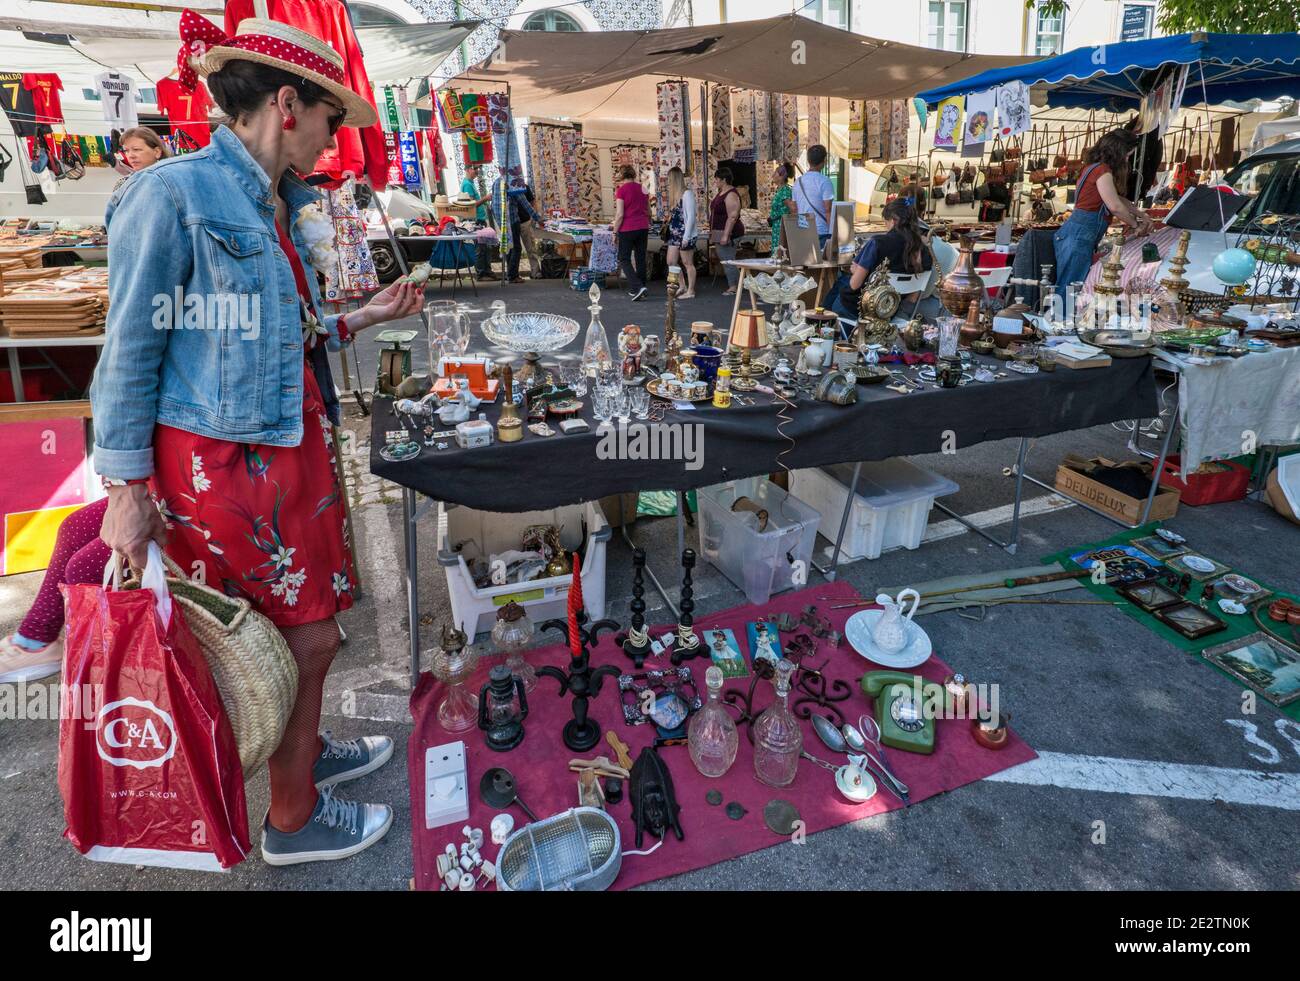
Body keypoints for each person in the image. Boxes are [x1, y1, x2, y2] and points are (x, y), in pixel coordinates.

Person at [92, 13, 423, 865]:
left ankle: (301, 754)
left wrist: (360, 316)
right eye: (330, 119)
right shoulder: (172, 194)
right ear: (288, 103)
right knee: (296, 636)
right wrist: (125, 491)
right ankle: (291, 815)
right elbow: (129, 349)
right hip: (226, 465)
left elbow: (282, 334)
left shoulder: (275, 204)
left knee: (306, 630)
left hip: (285, 447)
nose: (334, 137)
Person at [0, 129, 171, 683]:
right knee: (77, 526)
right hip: (172, 461)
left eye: (139, 151)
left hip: (192, 471)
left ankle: (49, 643)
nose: (129, 157)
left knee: (84, 555)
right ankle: (39, 639)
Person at [1053, 128, 1153, 307]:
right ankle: (1057, 327)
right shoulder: (1102, 171)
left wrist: (1141, 215)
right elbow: (1114, 206)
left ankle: (1060, 324)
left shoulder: (1093, 168)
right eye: (1128, 155)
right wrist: (1135, 224)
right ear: (1119, 151)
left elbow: (1118, 199)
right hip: (1078, 235)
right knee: (1069, 289)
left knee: (1070, 288)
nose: (1127, 159)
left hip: (1076, 234)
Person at [828, 198, 934, 321]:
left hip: (858, 309)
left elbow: (854, 284)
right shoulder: (924, 249)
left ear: (894, 221)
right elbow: (913, 298)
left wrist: (855, 270)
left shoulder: (878, 242)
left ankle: (821, 326)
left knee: (840, 284)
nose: (886, 228)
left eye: (886, 223)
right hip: (889, 311)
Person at [612, 164, 650, 300]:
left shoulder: (621, 190)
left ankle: (637, 286)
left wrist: (615, 232)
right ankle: (641, 288)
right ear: (633, 174)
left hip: (628, 228)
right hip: (643, 226)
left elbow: (620, 214)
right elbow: (649, 210)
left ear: (622, 176)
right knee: (641, 259)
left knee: (624, 258)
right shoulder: (644, 189)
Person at [709, 166, 745, 295]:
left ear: (724, 180)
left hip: (729, 232)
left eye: (717, 179)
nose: (715, 181)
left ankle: (735, 286)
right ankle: (737, 284)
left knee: (728, 259)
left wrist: (726, 235)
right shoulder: (721, 193)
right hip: (720, 232)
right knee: (725, 259)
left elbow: (733, 216)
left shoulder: (731, 194)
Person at [793, 143, 835, 251]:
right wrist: (833, 233)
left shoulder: (798, 182)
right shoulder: (825, 181)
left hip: (803, 230)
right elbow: (828, 209)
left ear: (808, 160)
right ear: (824, 160)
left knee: (806, 265)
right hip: (821, 231)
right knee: (822, 265)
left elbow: (795, 209)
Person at [663, 166, 697, 299]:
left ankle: (691, 290)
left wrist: (686, 237)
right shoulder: (676, 195)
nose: (668, 182)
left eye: (670, 179)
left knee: (687, 262)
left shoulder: (687, 194)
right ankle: (681, 285)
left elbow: (691, 217)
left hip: (684, 234)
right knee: (671, 261)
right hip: (674, 234)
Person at [461, 163, 494, 280]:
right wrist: (485, 198)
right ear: (469, 170)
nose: (477, 171)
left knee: (486, 246)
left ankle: (487, 271)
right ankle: (481, 273)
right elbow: (471, 205)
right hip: (476, 221)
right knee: (480, 247)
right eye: (475, 169)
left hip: (480, 219)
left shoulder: (470, 184)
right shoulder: (467, 185)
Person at [113, 126, 171, 190]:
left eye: (136, 149)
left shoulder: (171, 181)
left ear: (157, 152)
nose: (130, 156)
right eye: (126, 151)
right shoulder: (123, 184)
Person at [768, 161, 795, 253]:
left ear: (781, 176)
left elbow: (792, 209)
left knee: (780, 254)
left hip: (782, 227)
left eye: (775, 173)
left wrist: (775, 216)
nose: (772, 175)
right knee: (777, 253)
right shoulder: (780, 191)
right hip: (777, 226)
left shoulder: (785, 191)